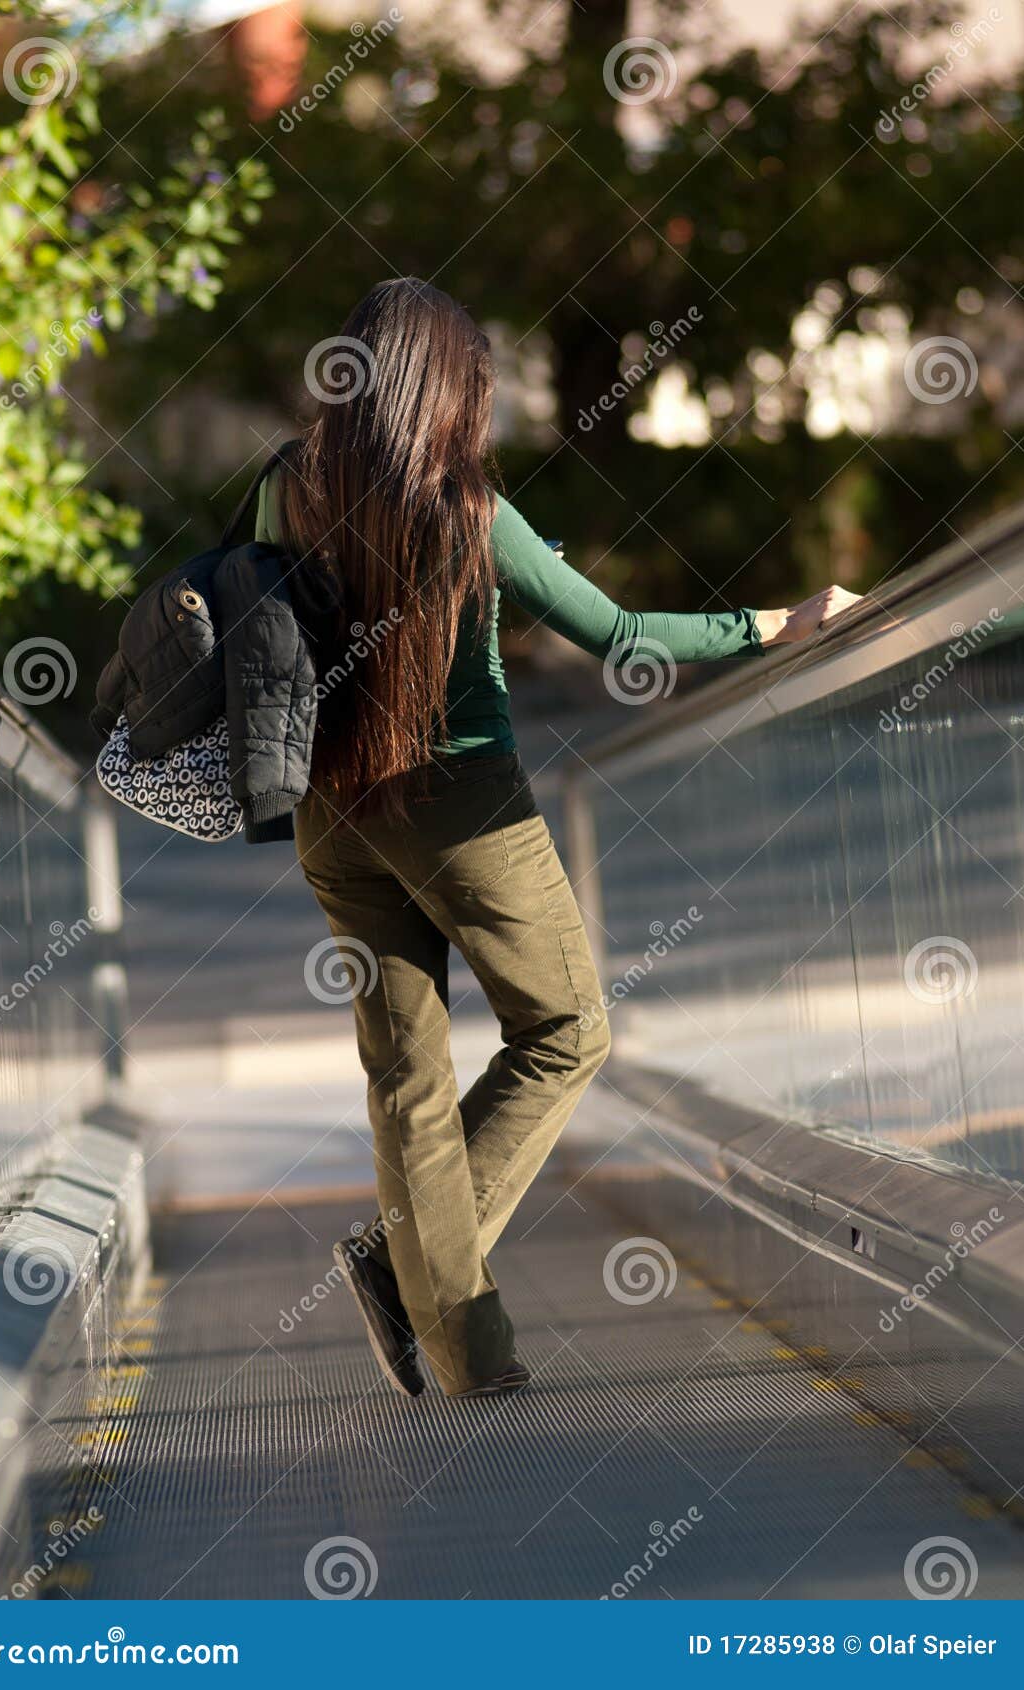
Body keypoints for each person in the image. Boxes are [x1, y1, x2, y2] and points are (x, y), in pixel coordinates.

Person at [257, 277, 859, 1401]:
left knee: (405, 1073)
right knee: (568, 1025)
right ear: (451, 388)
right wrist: (779, 622)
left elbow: (265, 636)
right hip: (459, 801)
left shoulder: (284, 484)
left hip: (327, 805)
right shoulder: (467, 506)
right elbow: (617, 633)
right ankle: (409, 1270)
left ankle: (469, 1354)